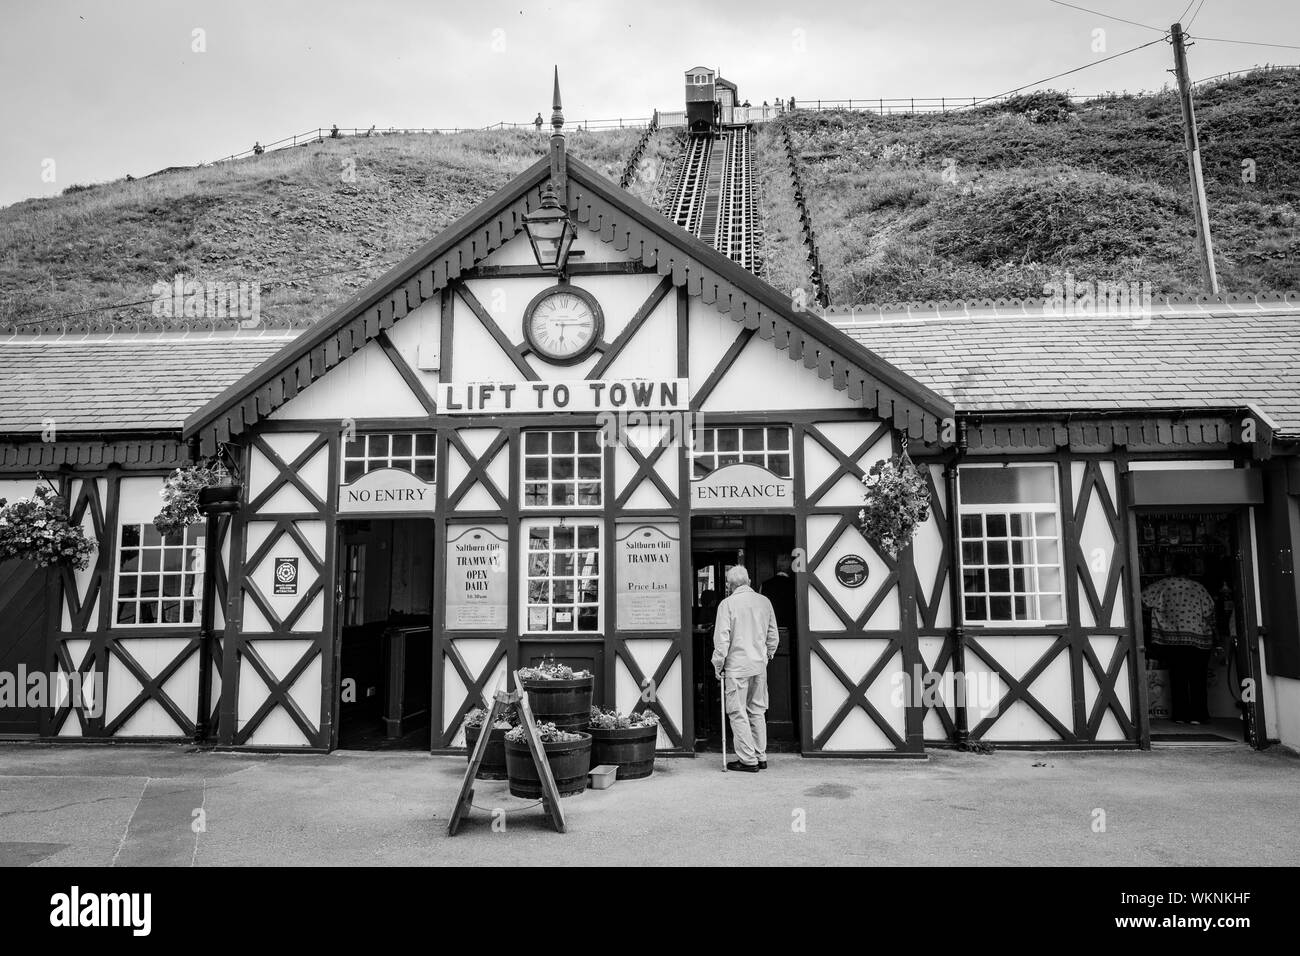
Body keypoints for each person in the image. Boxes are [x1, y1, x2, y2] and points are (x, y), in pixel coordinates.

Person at [711, 565, 779, 772]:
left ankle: (748, 760)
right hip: (759, 666)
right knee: (757, 711)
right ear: (749, 581)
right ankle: (760, 755)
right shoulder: (764, 601)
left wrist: (718, 664)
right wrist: (767, 656)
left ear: (730, 586)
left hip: (737, 667)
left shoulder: (727, 604)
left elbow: (722, 639)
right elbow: (772, 635)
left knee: (738, 712)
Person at [1142, 554, 1218, 724]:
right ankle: (1199, 715)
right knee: (1198, 678)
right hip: (1199, 640)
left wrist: (1157, 616)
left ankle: (1181, 715)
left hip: (1173, 639)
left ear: (1173, 569)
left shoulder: (1164, 585)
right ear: (1189, 569)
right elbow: (1210, 613)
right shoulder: (1199, 588)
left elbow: (1142, 599)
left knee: (1178, 677)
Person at [760, 553, 797, 630]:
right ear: (790, 566)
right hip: (791, 628)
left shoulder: (764, 585)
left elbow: (760, 608)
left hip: (770, 628)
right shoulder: (795, 586)